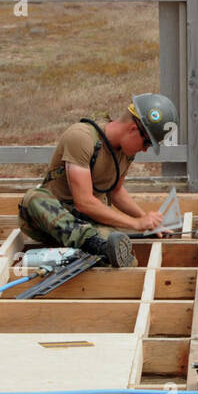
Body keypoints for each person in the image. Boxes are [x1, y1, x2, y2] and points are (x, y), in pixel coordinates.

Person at [18, 93, 177, 268]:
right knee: (33, 198)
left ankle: (88, 250)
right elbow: (84, 202)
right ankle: (92, 249)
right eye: (146, 143)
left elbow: (116, 192)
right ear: (133, 129)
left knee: (125, 260)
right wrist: (135, 223)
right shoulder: (81, 137)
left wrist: (147, 221)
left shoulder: (125, 153)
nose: (145, 150)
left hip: (88, 225)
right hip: (53, 218)